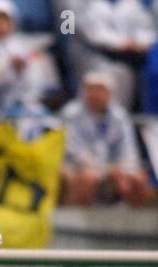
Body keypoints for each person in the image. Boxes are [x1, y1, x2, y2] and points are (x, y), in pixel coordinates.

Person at [58, 70, 152, 208]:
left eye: (100, 90)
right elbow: (74, 152)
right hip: (75, 166)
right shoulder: (71, 113)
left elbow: (128, 152)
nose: (95, 95)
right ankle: (74, 224)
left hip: (110, 169)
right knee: (88, 178)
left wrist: (123, 170)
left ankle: (131, 226)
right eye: (91, 89)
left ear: (109, 94)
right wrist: (107, 169)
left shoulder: (119, 117)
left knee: (139, 180)